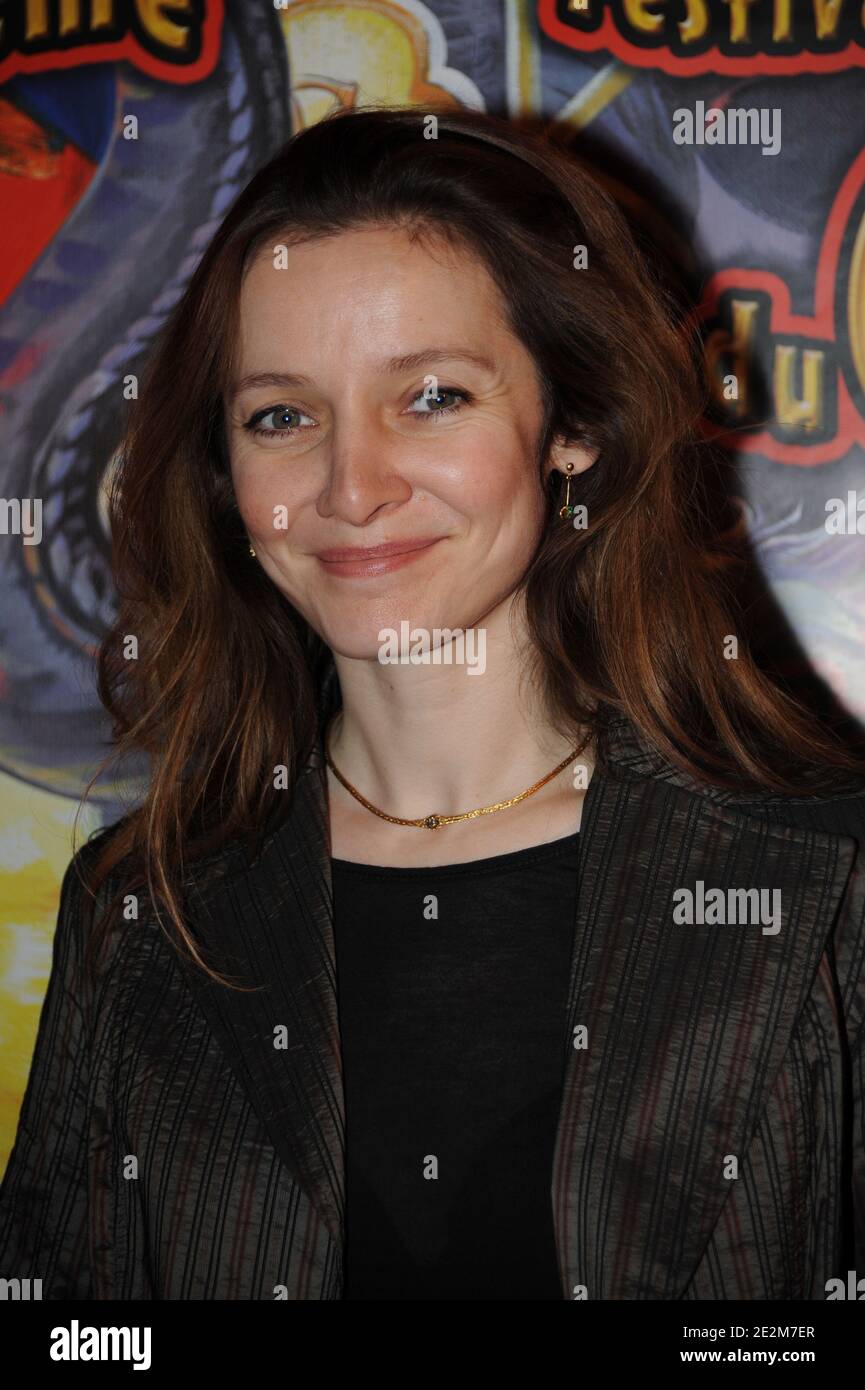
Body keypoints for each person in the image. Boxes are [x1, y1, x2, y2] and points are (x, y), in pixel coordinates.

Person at [2, 104, 864, 1301]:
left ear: (570, 428)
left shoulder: (825, 880)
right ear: (226, 473)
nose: (351, 488)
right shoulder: (142, 912)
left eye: (433, 397)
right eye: (282, 417)